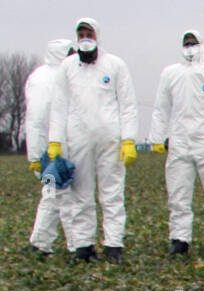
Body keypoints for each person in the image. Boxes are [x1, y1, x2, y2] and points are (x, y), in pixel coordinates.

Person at [47, 17, 138, 263]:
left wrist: (128, 139)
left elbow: (128, 105)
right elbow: (59, 105)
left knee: (111, 193)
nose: (85, 38)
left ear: (98, 35)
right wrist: (55, 140)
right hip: (78, 138)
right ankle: (83, 247)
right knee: (80, 194)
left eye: (89, 34)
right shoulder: (67, 67)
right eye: (81, 34)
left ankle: (113, 246)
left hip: (110, 139)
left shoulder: (115, 65)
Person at [149, 29, 204, 255]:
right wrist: (157, 137)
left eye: (193, 43)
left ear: (201, 45)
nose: (190, 47)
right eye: (186, 43)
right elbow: (161, 108)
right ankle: (180, 240)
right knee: (178, 195)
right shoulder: (170, 74)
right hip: (179, 142)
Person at [24, 39, 73, 257]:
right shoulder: (48, 79)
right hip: (51, 152)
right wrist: (36, 155)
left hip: (54, 149)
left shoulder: (46, 76)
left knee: (53, 196)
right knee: (63, 196)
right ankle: (76, 245)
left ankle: (41, 242)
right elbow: (36, 118)